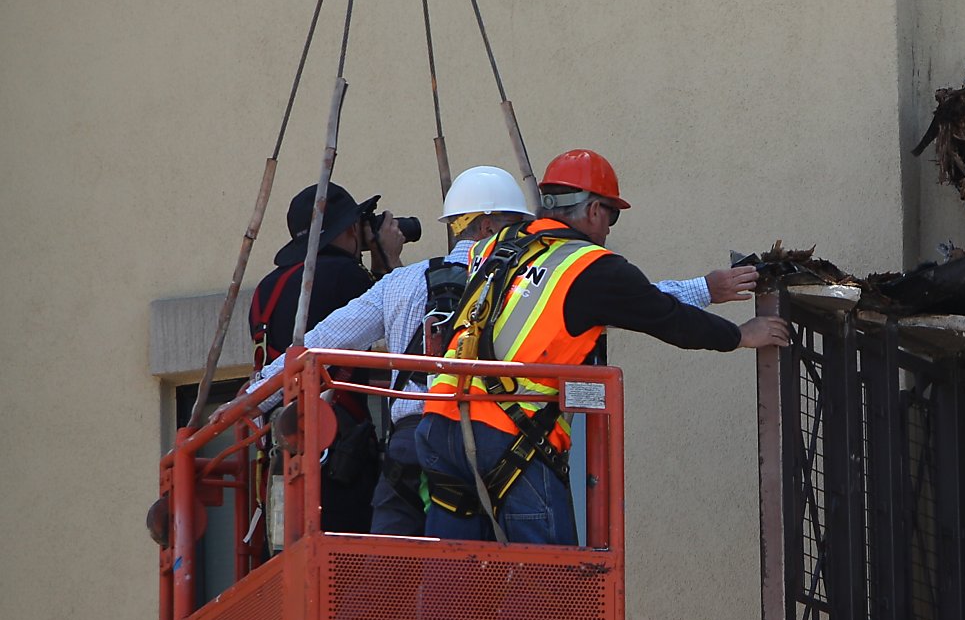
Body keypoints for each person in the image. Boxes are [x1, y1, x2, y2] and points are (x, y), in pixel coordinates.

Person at [245, 165, 760, 534]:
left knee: (408, 579)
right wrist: (705, 291)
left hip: (417, 445)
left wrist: (240, 408)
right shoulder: (516, 271)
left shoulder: (405, 281)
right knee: (534, 576)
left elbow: (312, 349)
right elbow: (615, 298)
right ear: (495, 224)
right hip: (501, 437)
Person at [417, 149, 791, 544]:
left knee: (453, 579)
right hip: (508, 436)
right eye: (612, 214)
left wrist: (705, 289)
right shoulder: (593, 266)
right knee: (549, 585)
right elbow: (665, 316)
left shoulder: (495, 247)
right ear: (594, 209)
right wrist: (741, 336)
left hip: (441, 422)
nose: (610, 228)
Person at [248, 182, 406, 533]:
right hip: (339, 454)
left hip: (282, 449)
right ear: (350, 228)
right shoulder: (344, 275)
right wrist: (388, 260)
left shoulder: (266, 289)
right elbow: (402, 321)